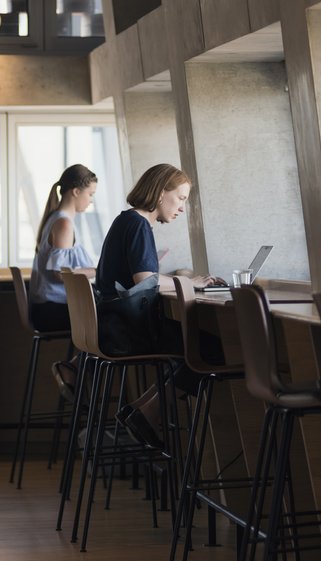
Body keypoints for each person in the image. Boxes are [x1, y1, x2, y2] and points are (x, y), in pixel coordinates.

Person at [95, 163, 224, 446]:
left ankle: (140, 410)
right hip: (129, 331)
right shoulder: (139, 225)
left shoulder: (126, 221)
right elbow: (144, 279)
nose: (181, 208)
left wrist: (178, 279)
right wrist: (193, 284)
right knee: (212, 350)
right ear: (160, 192)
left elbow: (143, 277)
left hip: (115, 325)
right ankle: (146, 411)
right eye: (180, 198)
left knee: (193, 348)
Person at [29, 163, 98, 333]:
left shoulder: (56, 219)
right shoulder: (63, 224)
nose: (91, 200)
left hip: (48, 308)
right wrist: (98, 270)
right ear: (76, 191)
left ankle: (80, 360)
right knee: (113, 318)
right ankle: (83, 360)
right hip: (52, 311)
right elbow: (60, 274)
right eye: (90, 194)